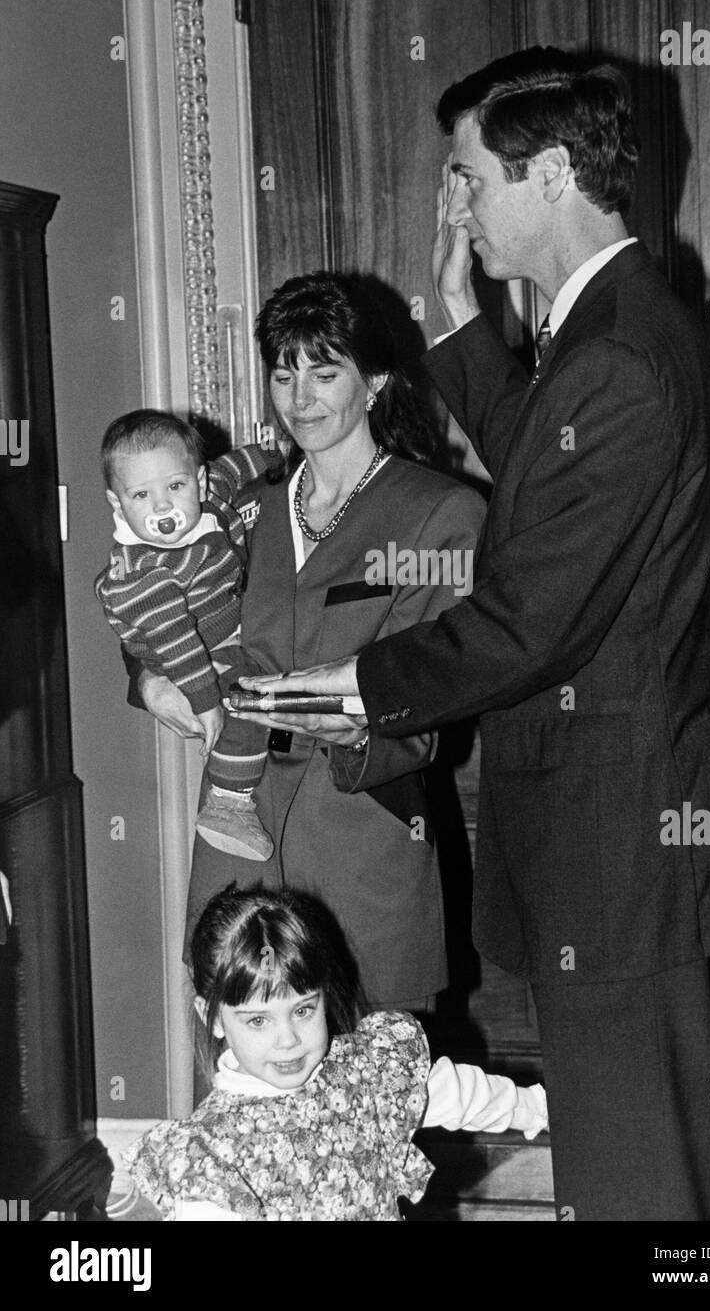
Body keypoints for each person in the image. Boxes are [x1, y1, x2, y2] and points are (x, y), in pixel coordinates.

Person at [239, 49, 710, 1221]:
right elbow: (549, 463)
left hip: (628, 850)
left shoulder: (623, 353)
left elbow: (534, 612)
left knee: (639, 1189)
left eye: (469, 178)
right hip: (624, 843)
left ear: (545, 180)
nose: (459, 205)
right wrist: (455, 315)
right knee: (632, 1175)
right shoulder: (612, 330)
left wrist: (364, 684)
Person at [135, 272, 486, 1011]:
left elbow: (432, 694)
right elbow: (153, 582)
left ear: (377, 382)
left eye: (324, 374)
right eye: (283, 373)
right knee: (243, 1073)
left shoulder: (439, 514)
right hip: (237, 826)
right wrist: (145, 676)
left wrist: (352, 721)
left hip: (360, 830)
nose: (299, 399)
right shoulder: (243, 503)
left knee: (369, 1088)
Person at [116, 884, 547, 1221]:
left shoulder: (364, 1072)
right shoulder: (211, 1150)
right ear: (212, 1018)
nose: (288, 1039)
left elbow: (457, 1094)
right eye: (258, 1020)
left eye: (303, 1010)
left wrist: (535, 1108)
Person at [95, 409, 279, 860]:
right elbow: (177, 640)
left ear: (197, 479)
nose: (162, 507)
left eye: (175, 487)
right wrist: (205, 703)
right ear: (118, 504)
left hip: (213, 618)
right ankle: (228, 803)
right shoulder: (143, 571)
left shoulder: (208, 493)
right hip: (174, 644)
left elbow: (233, 468)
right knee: (243, 691)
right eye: (140, 495)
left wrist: (276, 456)